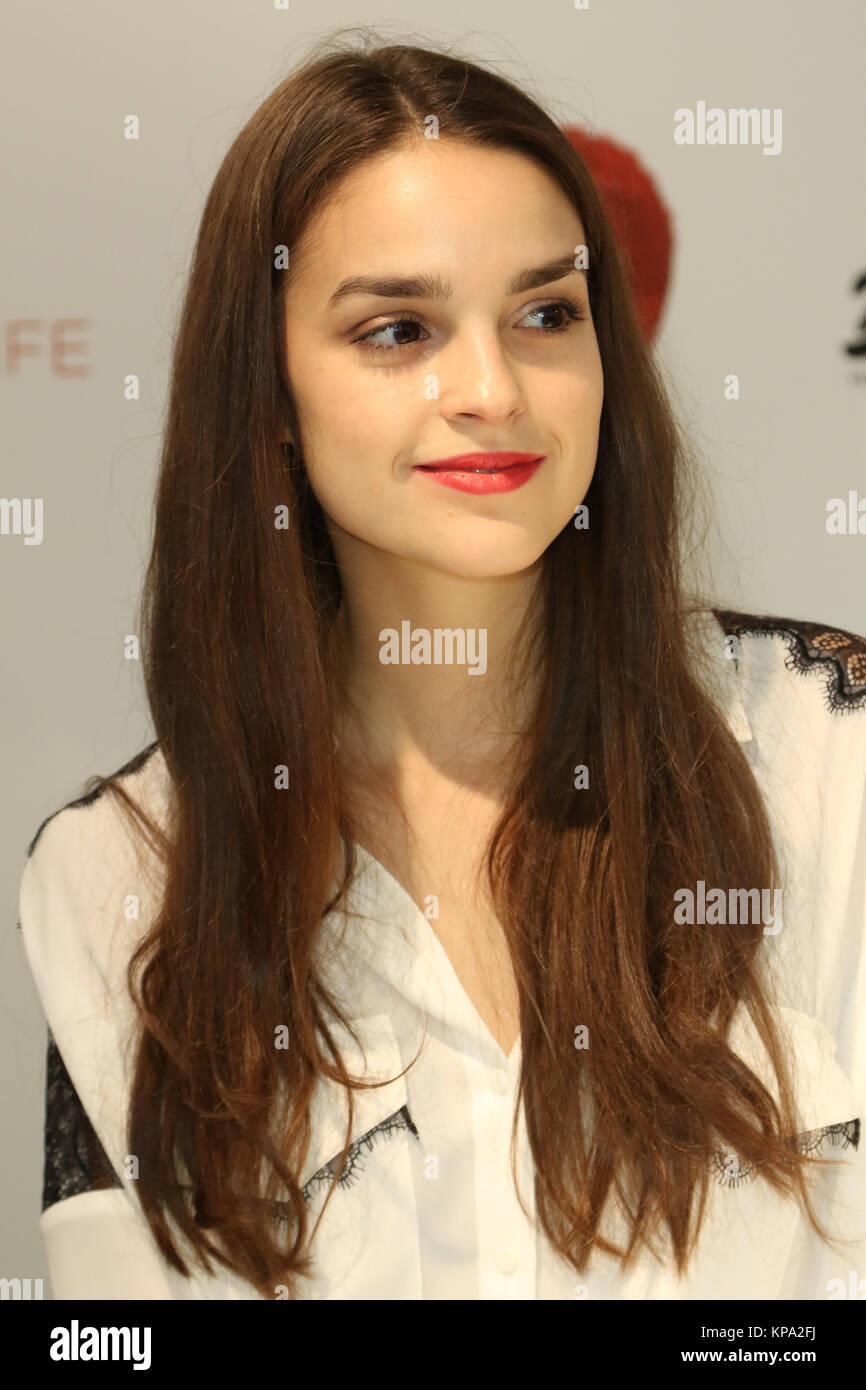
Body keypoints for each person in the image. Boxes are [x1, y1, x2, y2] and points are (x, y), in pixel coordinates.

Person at [17, 31, 866, 1301]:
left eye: (544, 313)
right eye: (398, 329)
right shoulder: (117, 877)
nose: (490, 387)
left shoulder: (828, 751)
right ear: (269, 397)